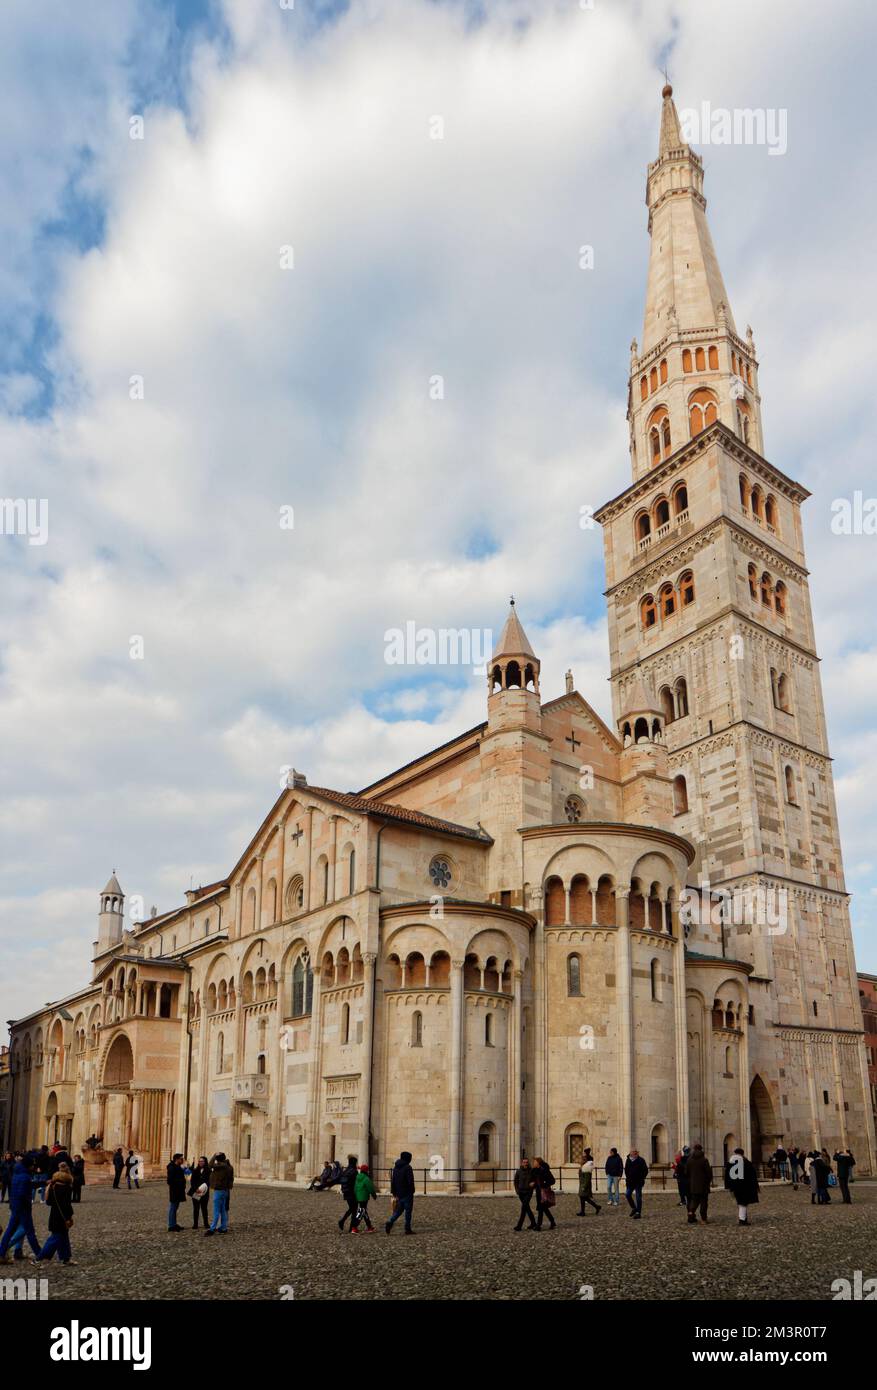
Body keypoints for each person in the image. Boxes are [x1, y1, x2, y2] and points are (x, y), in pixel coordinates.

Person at [0, 1152, 42, 1262]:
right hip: (22, 1208)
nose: (34, 1167)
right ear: (29, 1165)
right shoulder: (25, 1176)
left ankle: (2, 1252)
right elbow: (23, 1193)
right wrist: (27, 1205)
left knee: (10, 1230)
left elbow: (27, 1186)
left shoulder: (18, 1173)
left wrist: (42, 1183)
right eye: (32, 1165)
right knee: (29, 1231)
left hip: (15, 1206)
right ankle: (40, 1254)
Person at [32, 1161, 76, 1266]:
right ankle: (38, 1259)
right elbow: (66, 1205)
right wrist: (69, 1217)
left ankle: (66, 1258)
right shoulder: (67, 1188)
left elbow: (49, 1202)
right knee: (55, 1238)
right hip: (62, 1217)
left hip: (54, 1215)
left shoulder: (53, 1186)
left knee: (63, 1237)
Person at [725, 1147, 760, 1225]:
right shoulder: (746, 1162)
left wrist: (729, 1186)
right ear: (742, 1153)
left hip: (734, 1186)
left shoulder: (730, 1162)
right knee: (743, 1203)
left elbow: (727, 1175)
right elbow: (752, 1175)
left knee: (741, 1202)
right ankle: (742, 1220)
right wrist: (755, 1186)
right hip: (744, 1186)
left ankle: (743, 1218)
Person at [385, 1150, 415, 1235]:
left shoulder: (396, 1167)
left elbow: (393, 1181)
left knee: (398, 1211)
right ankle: (407, 1229)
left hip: (398, 1193)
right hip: (407, 1193)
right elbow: (410, 1181)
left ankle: (390, 1222)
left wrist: (394, 1192)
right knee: (408, 1212)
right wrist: (412, 1191)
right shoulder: (408, 1167)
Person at [205, 1152, 234, 1235]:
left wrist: (214, 1156)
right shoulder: (229, 1166)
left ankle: (212, 1228)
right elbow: (231, 1179)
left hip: (219, 1190)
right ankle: (223, 1227)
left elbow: (209, 1166)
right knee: (223, 1210)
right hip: (225, 1190)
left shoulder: (221, 1166)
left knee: (216, 1210)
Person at [685, 1143, 712, 1224]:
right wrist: (708, 1181)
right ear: (701, 1149)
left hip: (693, 1185)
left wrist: (691, 1179)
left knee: (694, 1200)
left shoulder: (689, 1160)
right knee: (703, 1202)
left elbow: (686, 1172)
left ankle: (690, 1213)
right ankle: (703, 1219)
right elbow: (709, 1173)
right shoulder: (704, 1160)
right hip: (703, 1185)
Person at [350, 1163, 377, 1233]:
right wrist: (374, 1196)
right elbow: (370, 1188)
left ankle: (369, 1226)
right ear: (366, 1171)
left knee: (364, 1211)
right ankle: (354, 1227)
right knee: (361, 1212)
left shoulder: (357, 1177)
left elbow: (355, 1188)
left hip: (358, 1197)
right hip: (364, 1197)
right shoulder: (366, 1178)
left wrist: (356, 1195)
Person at [532, 1157, 557, 1230]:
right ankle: (552, 1221)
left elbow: (552, 1180)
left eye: (535, 1162)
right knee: (544, 1208)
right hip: (538, 1192)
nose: (533, 1163)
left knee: (541, 1208)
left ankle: (538, 1225)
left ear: (538, 1163)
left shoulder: (545, 1170)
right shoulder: (534, 1170)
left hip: (544, 1192)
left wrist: (544, 1184)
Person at [513, 1158, 537, 1230]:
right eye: (524, 1162)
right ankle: (533, 1223)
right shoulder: (518, 1171)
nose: (525, 1163)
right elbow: (515, 1181)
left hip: (528, 1192)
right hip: (521, 1192)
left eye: (526, 1162)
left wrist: (534, 1183)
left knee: (524, 1208)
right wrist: (517, 1190)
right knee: (527, 1208)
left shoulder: (531, 1171)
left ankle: (519, 1226)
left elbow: (536, 1179)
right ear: (522, 1163)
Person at [337, 1154, 360, 1232]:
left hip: (346, 1192)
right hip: (352, 1193)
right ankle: (348, 1225)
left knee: (352, 1209)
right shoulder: (354, 1171)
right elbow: (356, 1183)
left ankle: (345, 1223)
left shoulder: (346, 1170)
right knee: (354, 1210)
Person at [624, 1149, 648, 1219]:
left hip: (638, 1182)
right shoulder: (628, 1160)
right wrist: (628, 1178)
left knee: (638, 1197)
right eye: (633, 1153)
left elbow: (645, 1170)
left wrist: (641, 1178)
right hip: (630, 1182)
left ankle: (638, 1212)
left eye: (636, 1153)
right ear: (631, 1154)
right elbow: (626, 1170)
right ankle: (634, 1208)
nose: (635, 1154)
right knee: (628, 1194)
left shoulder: (641, 1160)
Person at [188, 1156, 211, 1229]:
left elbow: (209, 1181)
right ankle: (195, 1224)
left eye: (202, 1161)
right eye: (199, 1161)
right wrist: (196, 1189)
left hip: (204, 1192)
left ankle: (206, 1223)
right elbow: (192, 1181)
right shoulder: (195, 1170)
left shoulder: (208, 1171)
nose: (200, 1162)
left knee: (204, 1208)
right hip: (196, 1192)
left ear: (205, 1162)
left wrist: (204, 1188)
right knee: (196, 1209)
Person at [166, 1152, 187, 1231]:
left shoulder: (177, 1166)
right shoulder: (172, 1168)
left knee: (175, 1207)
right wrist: (180, 1182)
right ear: (177, 1159)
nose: (182, 1160)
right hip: (175, 1191)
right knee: (173, 1207)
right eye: (181, 1159)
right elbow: (170, 1181)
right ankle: (171, 1225)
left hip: (178, 1190)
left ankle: (174, 1224)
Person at [577, 1148, 601, 1215]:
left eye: (581, 1160)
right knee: (584, 1198)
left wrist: (584, 1187)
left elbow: (587, 1179)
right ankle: (594, 1207)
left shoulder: (586, 1168)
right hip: (582, 1184)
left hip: (584, 1185)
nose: (580, 1161)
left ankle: (585, 1211)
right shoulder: (583, 1166)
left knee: (583, 1197)